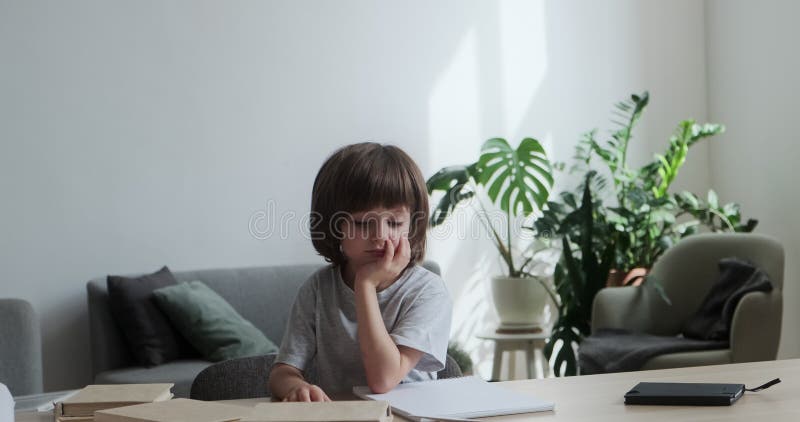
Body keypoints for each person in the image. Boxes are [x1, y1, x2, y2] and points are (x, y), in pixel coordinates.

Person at [268, 142, 452, 401]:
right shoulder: (318, 289)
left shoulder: (428, 291)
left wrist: (365, 285)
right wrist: (295, 386)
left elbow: (383, 379)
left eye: (394, 222)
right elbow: (282, 371)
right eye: (363, 223)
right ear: (334, 226)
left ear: (412, 224)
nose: (380, 236)